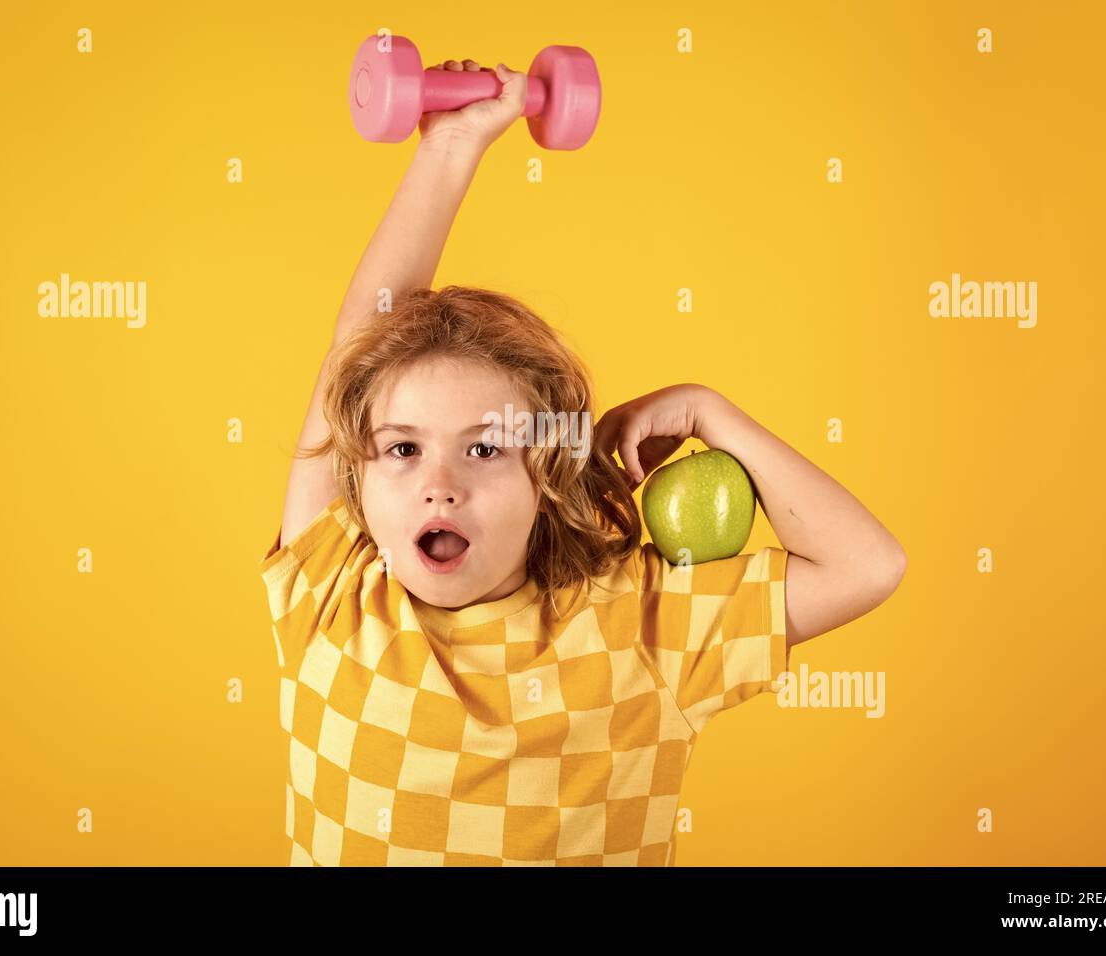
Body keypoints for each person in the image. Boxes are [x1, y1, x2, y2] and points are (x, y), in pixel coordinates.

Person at [258, 59, 906, 866]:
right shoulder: (331, 592)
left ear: (549, 474)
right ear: (357, 469)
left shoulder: (643, 628)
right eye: (402, 447)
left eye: (486, 447)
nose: (439, 484)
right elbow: (353, 352)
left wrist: (713, 411)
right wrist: (448, 149)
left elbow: (869, 564)